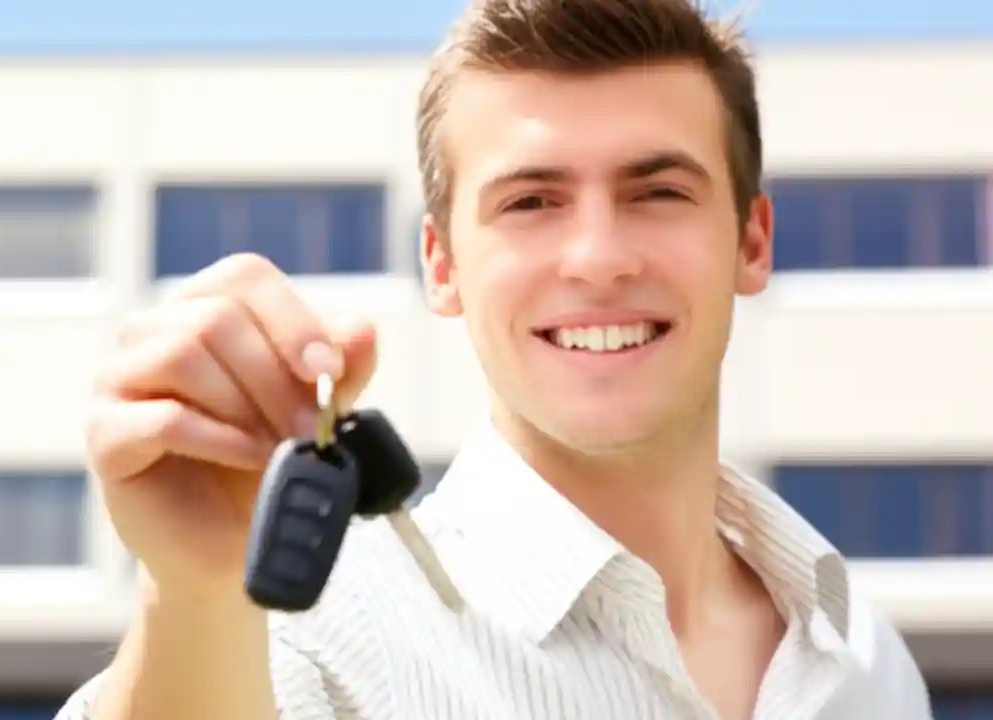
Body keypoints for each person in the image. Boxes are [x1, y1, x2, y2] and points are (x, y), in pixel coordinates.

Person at [55, 0, 931, 718]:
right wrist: (195, 598)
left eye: (657, 192)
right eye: (532, 201)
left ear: (750, 242)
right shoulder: (312, 635)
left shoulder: (865, 661)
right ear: (442, 265)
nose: (598, 255)